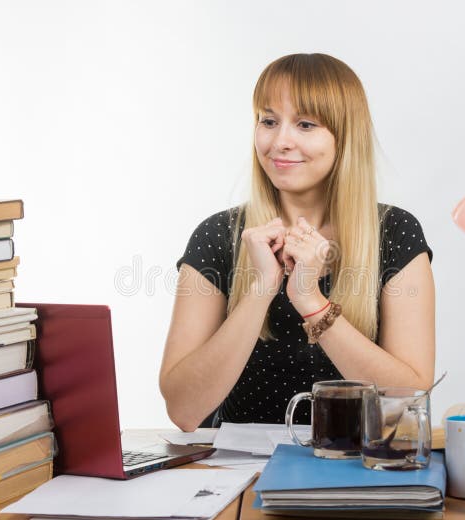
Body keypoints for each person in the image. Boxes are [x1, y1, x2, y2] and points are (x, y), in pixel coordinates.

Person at [160, 53, 435, 431]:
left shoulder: (395, 232)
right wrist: (262, 287)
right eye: (268, 121)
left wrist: (310, 300)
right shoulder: (218, 236)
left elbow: (406, 402)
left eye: (305, 124)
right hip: (246, 471)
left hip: (357, 464)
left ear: (345, 137)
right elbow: (184, 411)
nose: (280, 141)